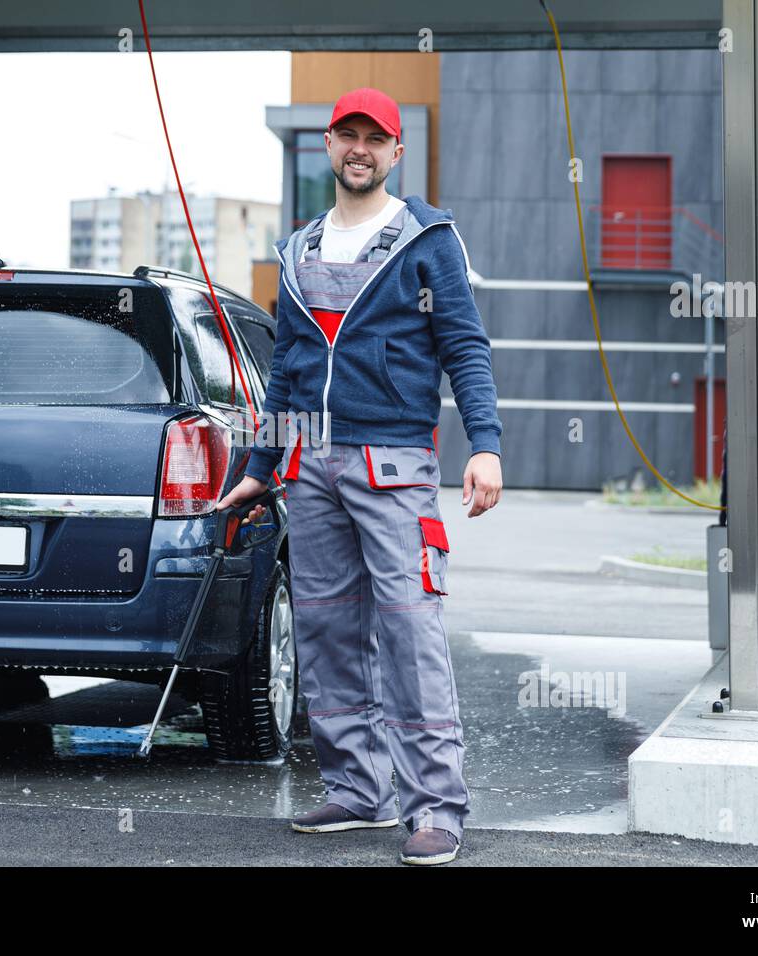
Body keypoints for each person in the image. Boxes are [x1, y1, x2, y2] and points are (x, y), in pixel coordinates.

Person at [216, 87, 503, 865]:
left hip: (396, 467)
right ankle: (360, 790)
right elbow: (285, 376)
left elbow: (465, 349)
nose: (359, 149)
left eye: (374, 138)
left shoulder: (428, 239)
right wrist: (259, 465)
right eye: (347, 134)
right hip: (309, 470)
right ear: (330, 145)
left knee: (410, 631)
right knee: (328, 630)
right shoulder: (300, 250)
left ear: (395, 152)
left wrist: (486, 446)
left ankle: (436, 805)